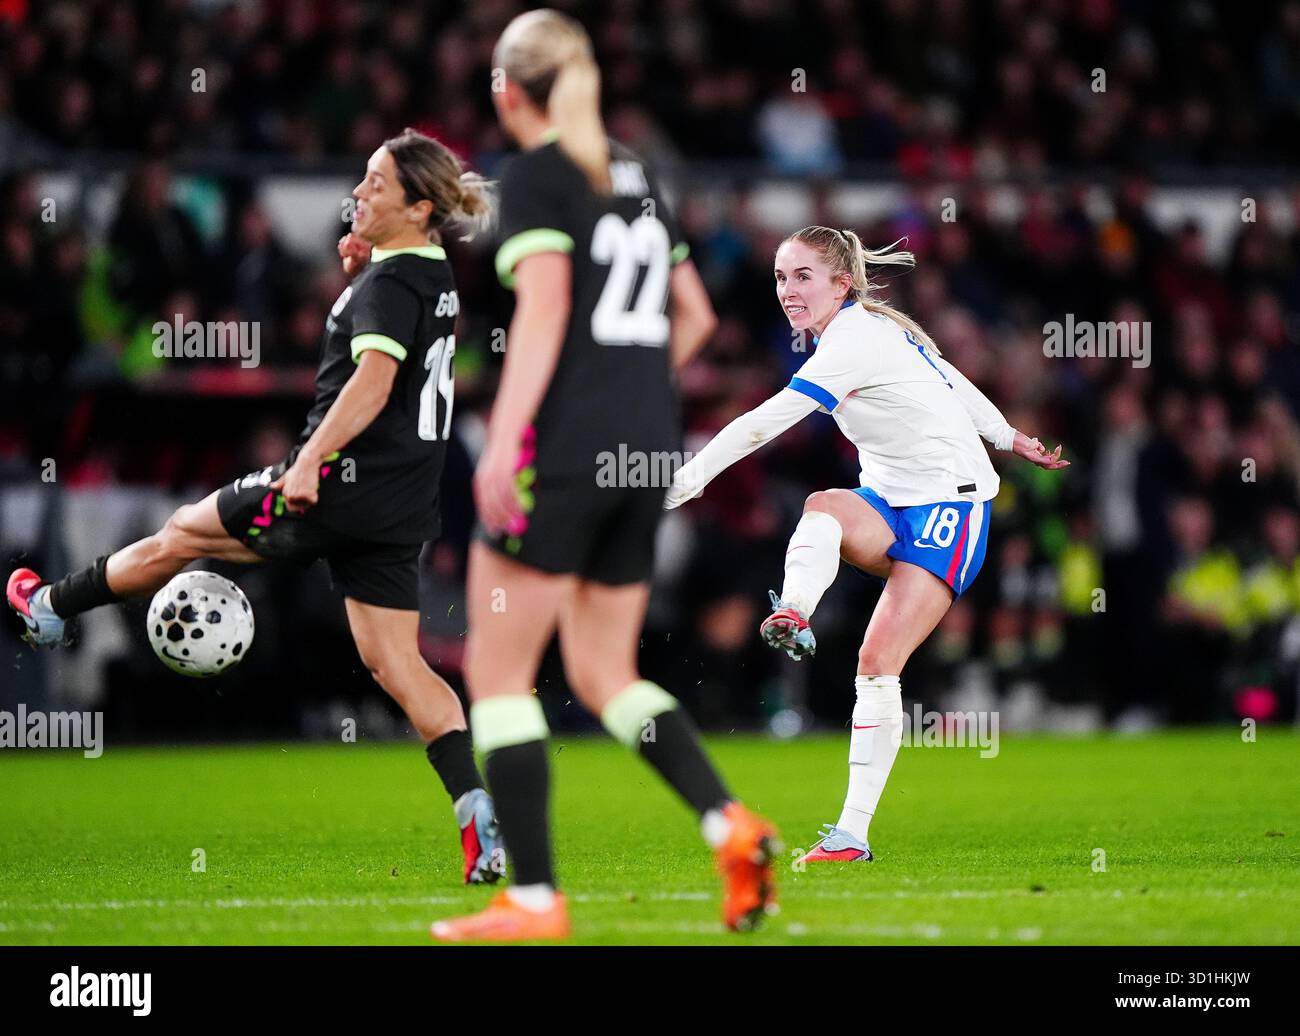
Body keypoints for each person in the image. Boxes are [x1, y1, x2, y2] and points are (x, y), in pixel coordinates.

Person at [8, 129, 506, 886]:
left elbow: (372, 385)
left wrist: (307, 465)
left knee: (179, 533)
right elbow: (401, 347)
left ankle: (49, 607)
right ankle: (475, 810)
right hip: (401, 503)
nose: (360, 192)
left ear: (418, 205)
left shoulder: (387, 286)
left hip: (336, 485)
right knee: (396, 664)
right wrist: (365, 268)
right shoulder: (430, 275)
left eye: (376, 184)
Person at [429, 9, 777, 943]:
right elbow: (694, 315)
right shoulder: (634, 172)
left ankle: (534, 902)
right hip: (645, 447)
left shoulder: (536, 177)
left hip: (566, 452)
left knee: (498, 677)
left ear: (507, 89)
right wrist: (627, 393)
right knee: (603, 671)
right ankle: (728, 824)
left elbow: (541, 309)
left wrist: (502, 440)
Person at [667, 226, 1069, 864]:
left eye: (803, 276)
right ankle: (794, 612)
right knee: (822, 506)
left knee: (878, 663)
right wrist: (1007, 433)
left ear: (841, 284)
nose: (788, 290)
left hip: (950, 506)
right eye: (780, 277)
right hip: (887, 501)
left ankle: (851, 835)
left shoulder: (852, 340)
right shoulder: (873, 330)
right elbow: (950, 375)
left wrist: (687, 481)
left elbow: (766, 420)